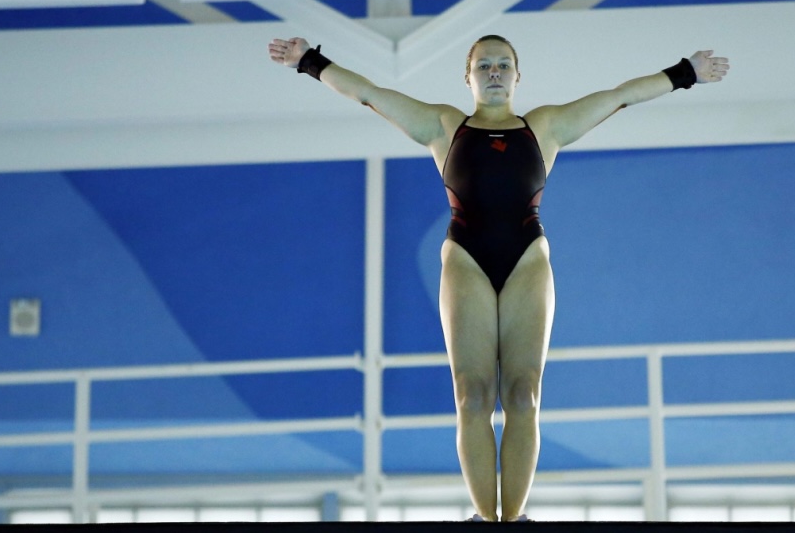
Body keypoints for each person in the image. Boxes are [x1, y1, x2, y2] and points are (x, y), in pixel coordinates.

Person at [268, 34, 729, 521]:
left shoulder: (545, 127)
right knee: (472, 396)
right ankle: (486, 518)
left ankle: (514, 518)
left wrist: (686, 73)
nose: (494, 72)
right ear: (467, 78)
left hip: (527, 258)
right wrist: (308, 61)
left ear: (517, 76)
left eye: (503, 65)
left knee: (523, 394)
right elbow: (369, 93)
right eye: (484, 65)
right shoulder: (444, 126)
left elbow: (619, 97)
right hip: (465, 259)